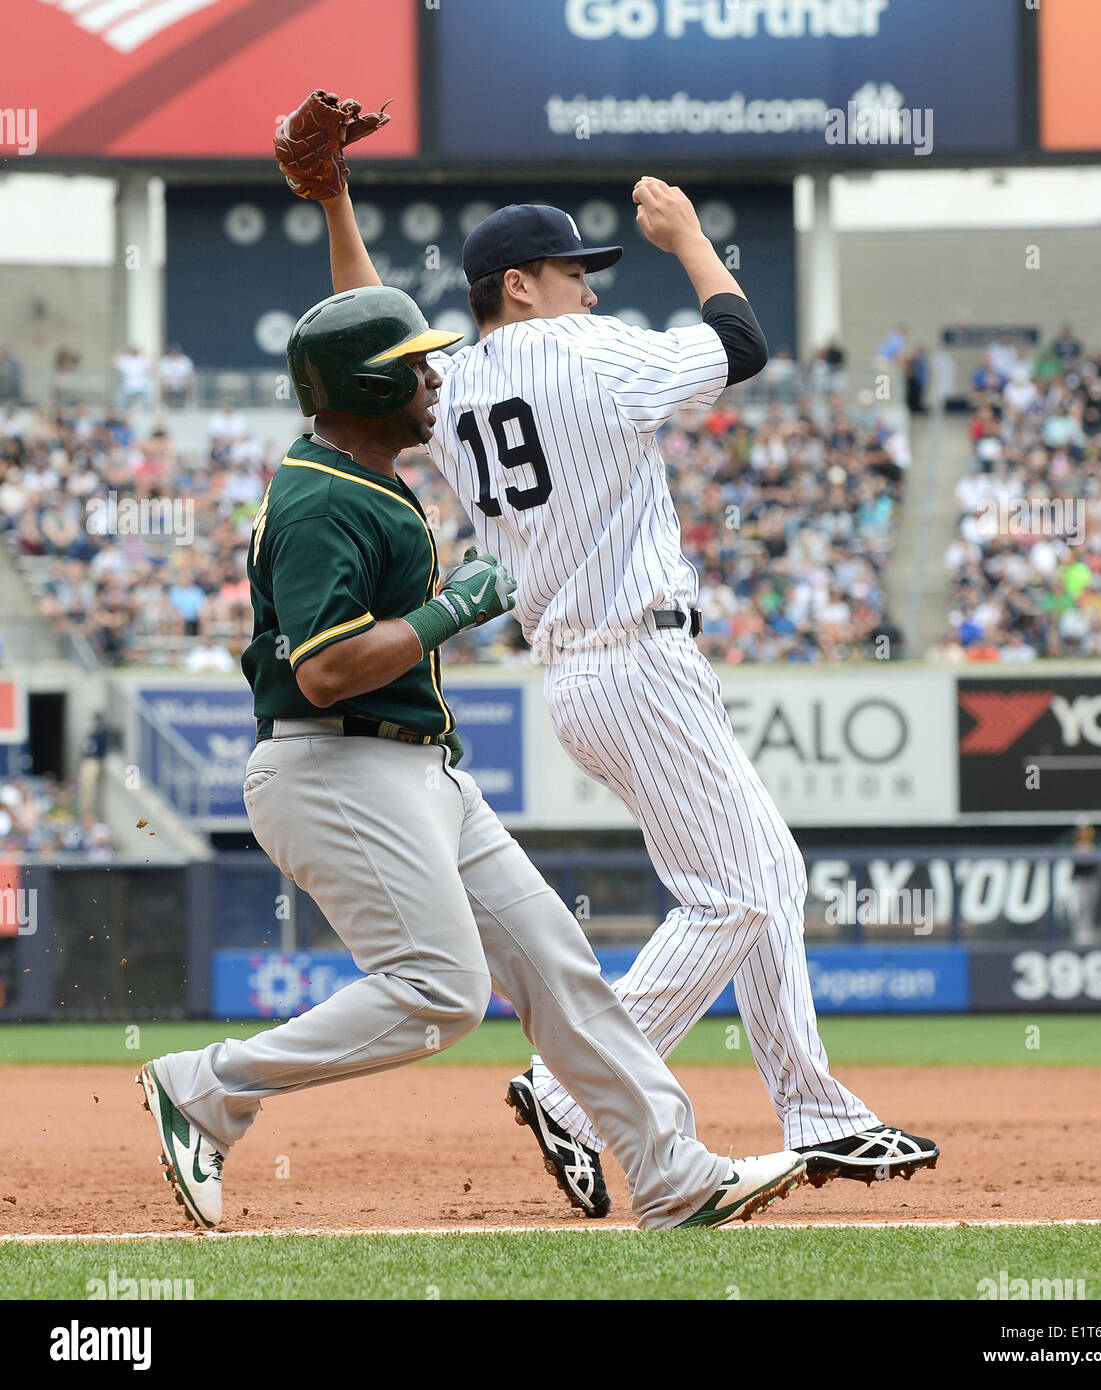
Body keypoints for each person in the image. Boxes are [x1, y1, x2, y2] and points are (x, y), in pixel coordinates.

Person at [311, 160, 939, 1209]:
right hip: (633, 653)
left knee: (765, 877)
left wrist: (335, 204)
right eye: (572, 270)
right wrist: (689, 237)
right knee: (738, 888)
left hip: (579, 666)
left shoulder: (451, 381)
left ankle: (818, 1110)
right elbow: (743, 346)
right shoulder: (585, 352)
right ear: (519, 283)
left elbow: (369, 323)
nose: (590, 287)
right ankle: (567, 1088)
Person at [137, 285, 806, 1233]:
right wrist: (455, 607)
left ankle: (676, 1174)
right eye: (413, 364)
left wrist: (333, 201)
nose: (433, 375)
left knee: (555, 968)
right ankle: (209, 1087)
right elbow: (324, 670)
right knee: (440, 994)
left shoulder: (355, 470)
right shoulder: (320, 496)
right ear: (369, 389)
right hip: (334, 765)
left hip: (414, 766)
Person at [158, 344, 195, 408]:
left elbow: (188, 374)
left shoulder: (185, 360)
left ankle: (189, 403)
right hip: (169, 382)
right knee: (163, 384)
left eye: (176, 351)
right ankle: (163, 404)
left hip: (182, 382)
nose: (174, 353)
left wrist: (183, 380)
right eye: (172, 351)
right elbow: (163, 375)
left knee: (189, 382)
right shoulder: (165, 360)